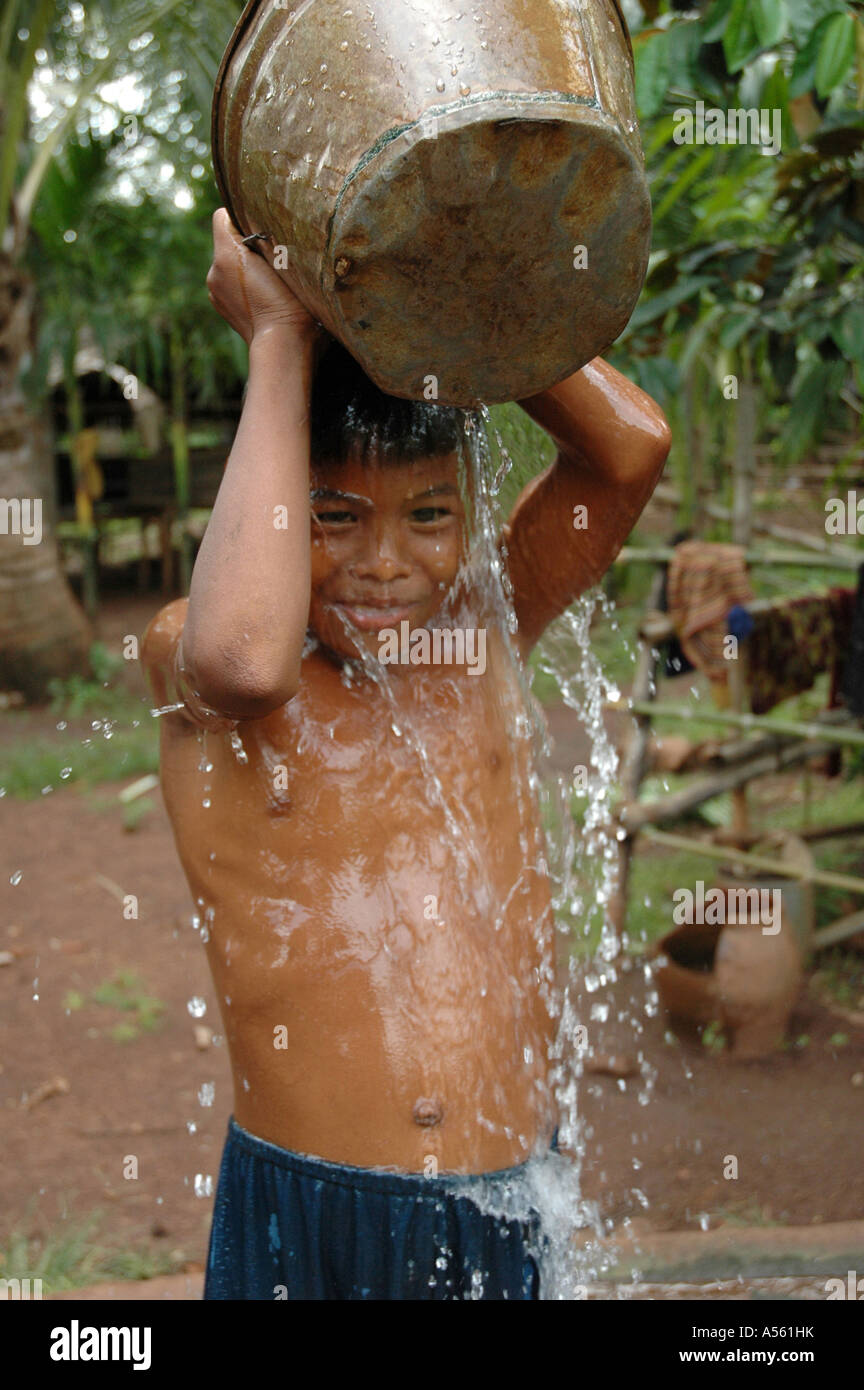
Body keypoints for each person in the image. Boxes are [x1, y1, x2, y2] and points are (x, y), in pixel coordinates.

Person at [142, 208, 671, 1300]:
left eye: (430, 515)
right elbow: (244, 658)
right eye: (333, 517)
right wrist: (280, 338)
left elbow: (630, 450)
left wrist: (460, 290)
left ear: (473, 507)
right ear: (283, 512)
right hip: (317, 1207)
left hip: (510, 1193)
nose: (388, 566)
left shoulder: (482, 627)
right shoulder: (208, 672)